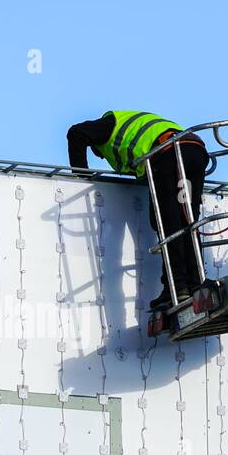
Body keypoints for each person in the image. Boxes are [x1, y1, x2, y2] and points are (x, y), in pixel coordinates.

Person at [67, 110, 209, 311]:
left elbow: (75, 133)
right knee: (188, 221)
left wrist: (80, 176)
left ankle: (176, 287)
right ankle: (196, 282)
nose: (100, 156)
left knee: (169, 224)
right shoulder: (133, 126)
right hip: (194, 149)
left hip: (169, 152)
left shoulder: (108, 127)